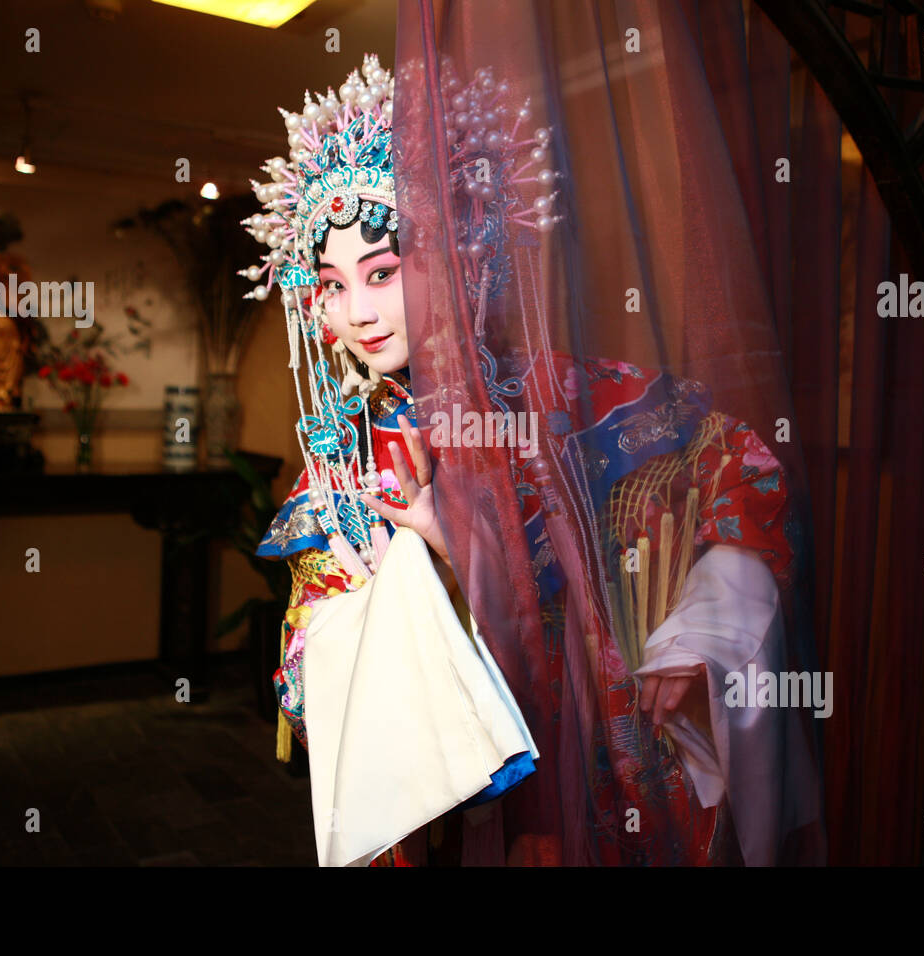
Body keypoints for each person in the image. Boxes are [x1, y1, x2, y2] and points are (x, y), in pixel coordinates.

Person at [246, 54, 824, 866]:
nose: (358, 314)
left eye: (381, 273)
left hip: (583, 779)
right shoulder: (342, 453)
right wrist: (378, 608)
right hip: (438, 803)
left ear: (459, 254)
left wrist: (705, 629)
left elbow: (747, 471)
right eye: (333, 287)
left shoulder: (571, 401)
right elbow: (306, 672)